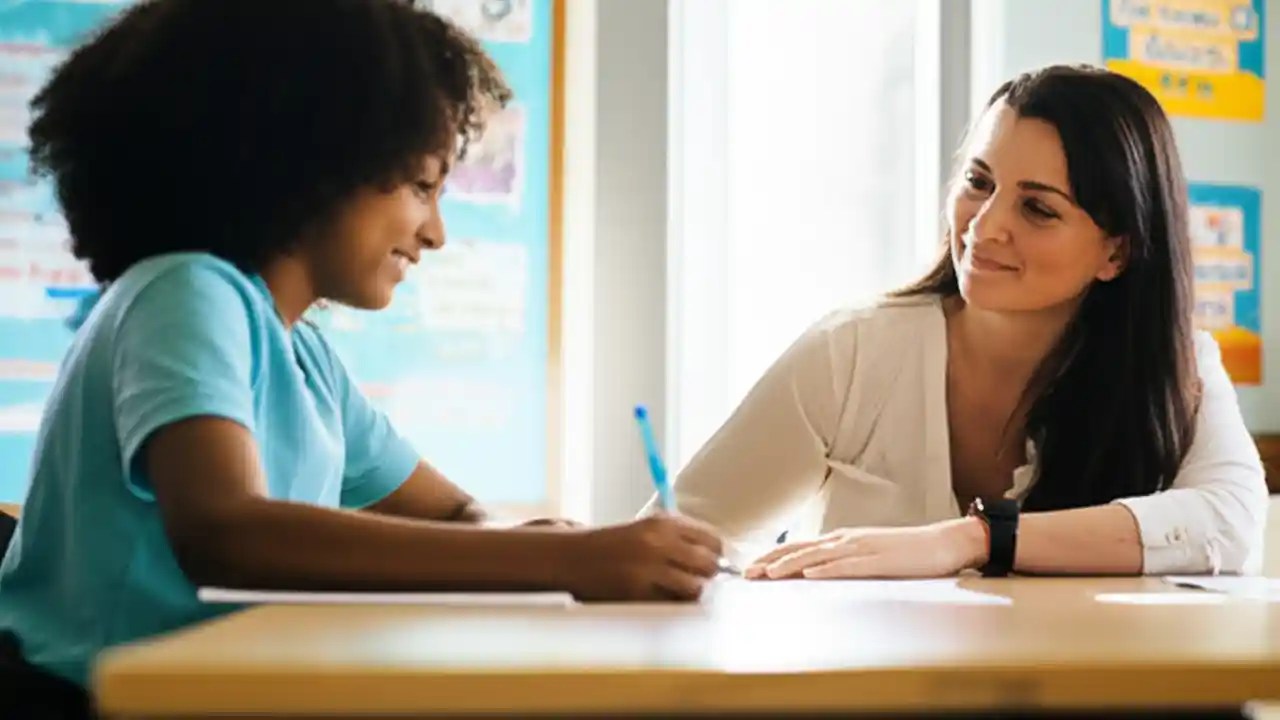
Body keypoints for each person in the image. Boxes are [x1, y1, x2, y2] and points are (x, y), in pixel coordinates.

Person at [0, 0, 723, 711]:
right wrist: (564, 563)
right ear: (310, 162)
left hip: (215, 689)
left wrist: (562, 542)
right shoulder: (186, 291)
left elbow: (455, 514)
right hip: (92, 697)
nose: (435, 232)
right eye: (421, 186)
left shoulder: (304, 356)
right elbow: (227, 531)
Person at [646, 64, 1268, 581]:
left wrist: (973, 540)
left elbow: (1230, 522)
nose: (984, 224)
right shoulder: (852, 353)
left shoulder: (1175, 364)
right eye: (978, 181)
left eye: (1037, 209)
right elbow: (678, 545)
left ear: (1116, 252)